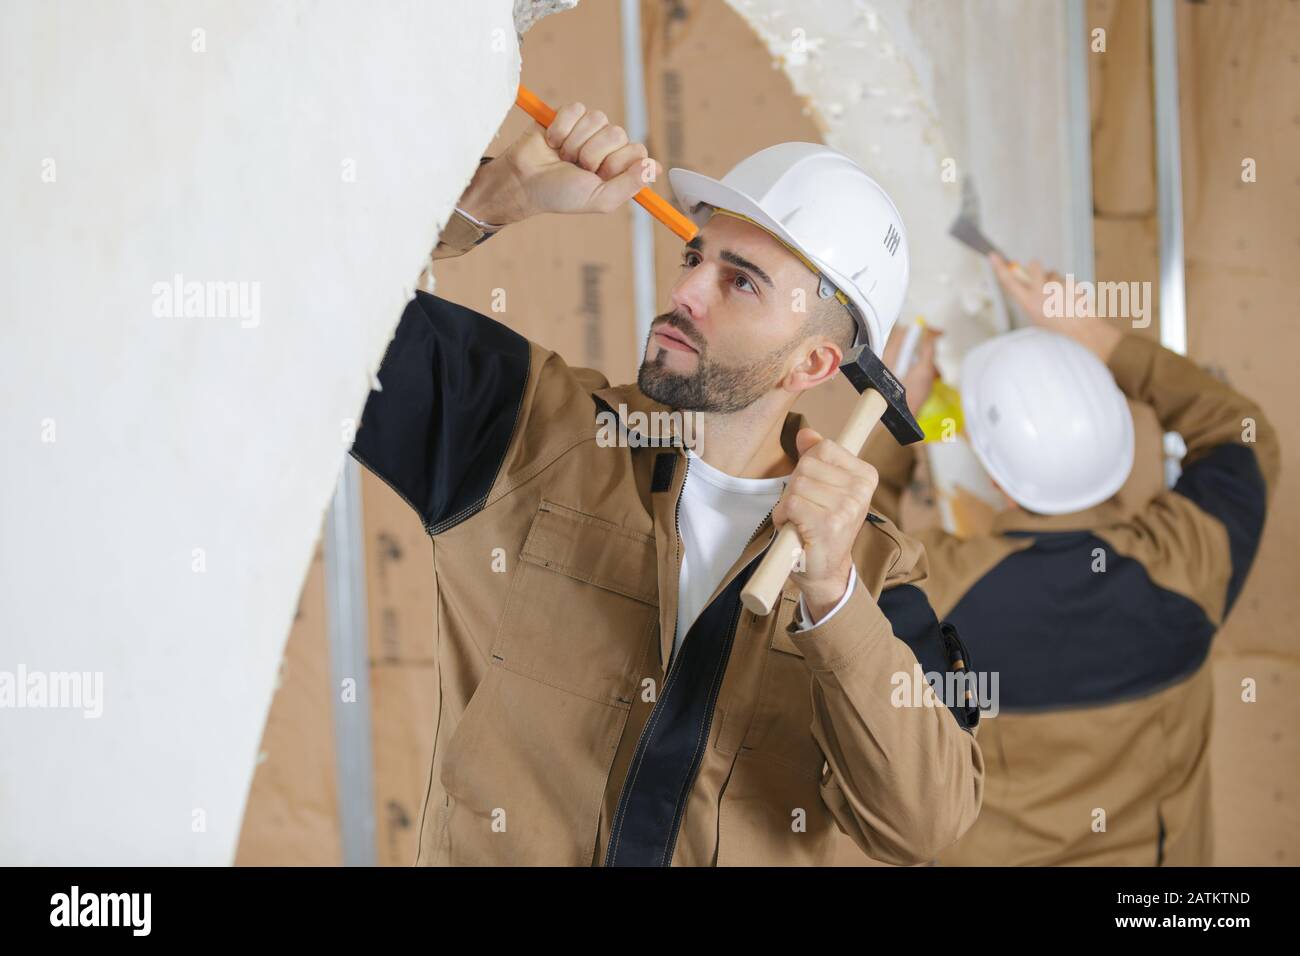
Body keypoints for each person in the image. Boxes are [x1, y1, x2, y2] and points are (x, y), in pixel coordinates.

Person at [350, 102, 983, 866]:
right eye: (695, 259)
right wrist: (488, 201)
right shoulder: (531, 433)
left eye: (740, 282)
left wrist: (831, 595)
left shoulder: (876, 583)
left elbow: (922, 825)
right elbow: (290, 309)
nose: (686, 293)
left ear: (813, 364)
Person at [866, 255, 1279, 865]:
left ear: (997, 475)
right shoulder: (1187, 565)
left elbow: (848, 540)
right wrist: (1096, 338)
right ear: (1118, 431)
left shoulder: (938, 596)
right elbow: (1239, 433)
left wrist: (890, 407)